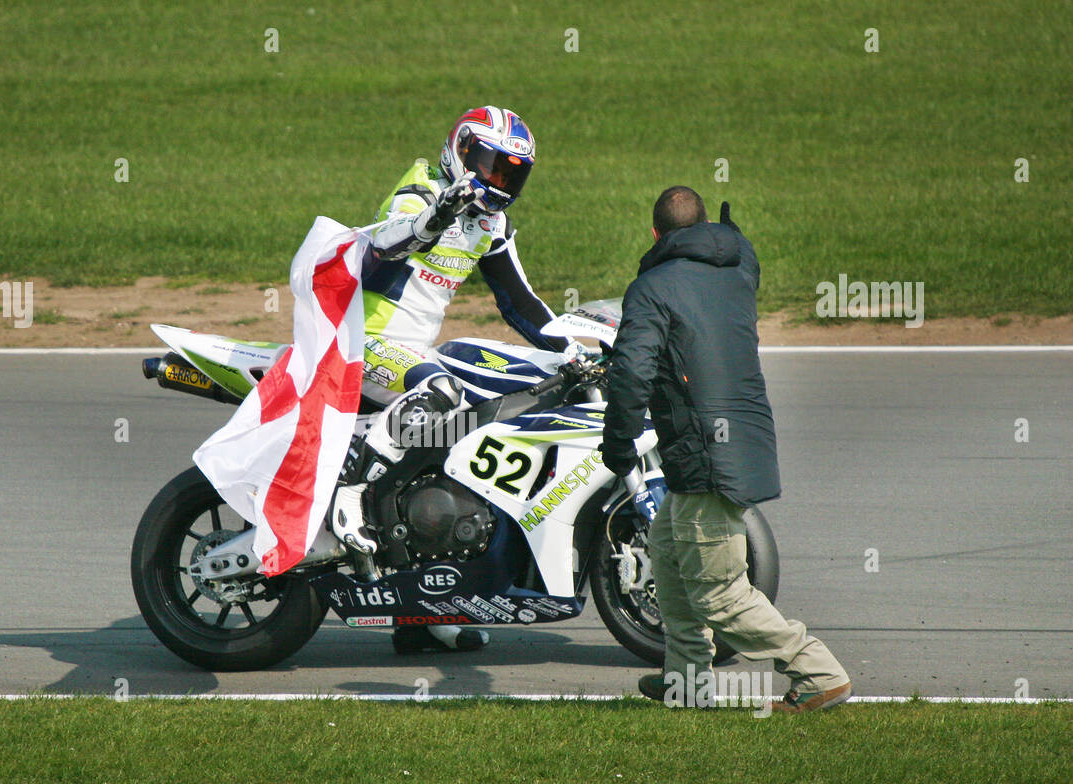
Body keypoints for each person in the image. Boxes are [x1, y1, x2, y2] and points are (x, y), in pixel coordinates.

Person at [600, 186, 851, 713]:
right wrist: (729, 232)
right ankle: (686, 680)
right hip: (739, 440)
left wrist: (618, 445)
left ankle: (819, 672)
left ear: (655, 234)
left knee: (719, 593)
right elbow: (739, 252)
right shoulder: (738, 267)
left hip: (704, 454)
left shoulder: (651, 289)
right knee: (668, 553)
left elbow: (630, 375)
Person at [331, 105, 566, 654]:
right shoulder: (420, 191)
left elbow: (519, 302)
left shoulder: (490, 223)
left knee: (460, 441)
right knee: (442, 392)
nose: (499, 181)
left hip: (411, 353)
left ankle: (422, 611)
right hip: (363, 343)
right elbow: (377, 253)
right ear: (460, 153)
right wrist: (433, 218)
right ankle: (349, 498)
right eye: (492, 166)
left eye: (511, 174)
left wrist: (575, 348)